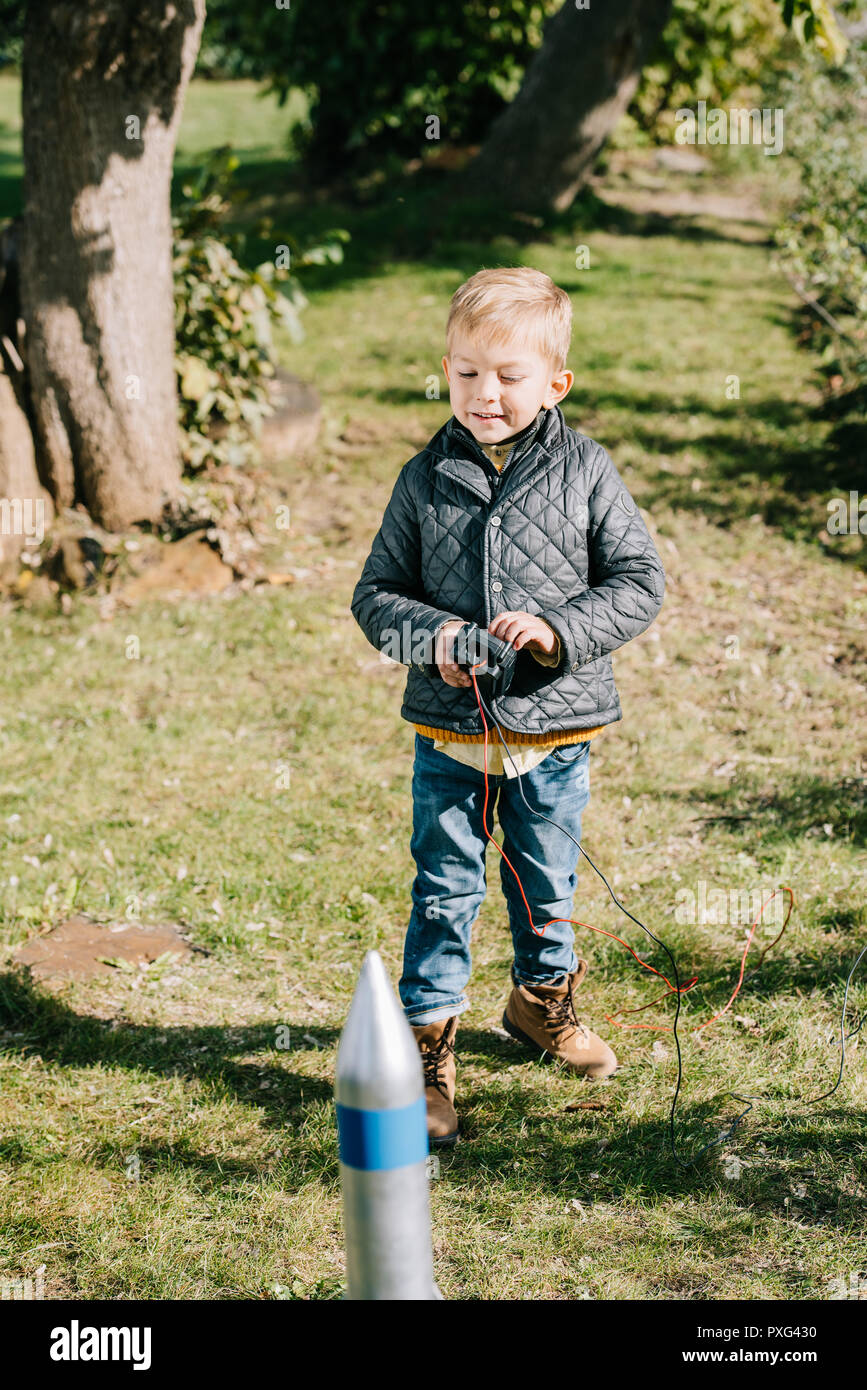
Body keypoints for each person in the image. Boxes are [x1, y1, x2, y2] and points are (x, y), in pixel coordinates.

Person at [351, 267, 666, 1144]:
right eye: (465, 373)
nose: (484, 394)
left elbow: (640, 582)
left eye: (507, 376)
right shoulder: (423, 478)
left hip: (553, 731)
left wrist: (560, 630)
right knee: (445, 891)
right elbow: (376, 596)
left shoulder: (586, 470)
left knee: (545, 885)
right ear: (445, 370)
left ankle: (539, 1005)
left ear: (554, 383)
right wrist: (435, 639)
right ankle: (425, 1050)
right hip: (450, 738)